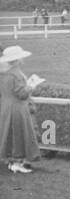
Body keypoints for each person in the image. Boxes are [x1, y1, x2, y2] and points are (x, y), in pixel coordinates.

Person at [0, 45, 41, 174]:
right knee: (18, 133)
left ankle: (12, 160)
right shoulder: (16, 74)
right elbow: (21, 94)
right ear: (17, 59)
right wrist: (31, 86)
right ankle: (17, 162)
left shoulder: (4, 73)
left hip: (6, 106)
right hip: (17, 107)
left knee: (10, 133)